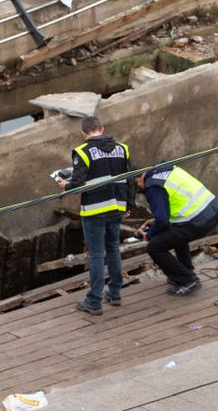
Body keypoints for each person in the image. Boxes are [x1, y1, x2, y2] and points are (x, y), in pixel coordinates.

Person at [56, 116, 131, 315]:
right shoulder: (122, 148)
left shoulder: (82, 151)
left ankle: (94, 301)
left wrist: (65, 185)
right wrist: (128, 204)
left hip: (95, 209)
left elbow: (78, 183)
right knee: (113, 248)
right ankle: (115, 292)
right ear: (102, 128)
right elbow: (129, 178)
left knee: (97, 254)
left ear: (83, 133)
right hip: (117, 206)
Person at [136, 164, 218, 296]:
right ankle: (186, 271)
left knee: (154, 247)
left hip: (198, 220)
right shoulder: (168, 169)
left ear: (138, 178)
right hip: (212, 211)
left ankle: (187, 281)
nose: (136, 190)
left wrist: (149, 235)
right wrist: (156, 221)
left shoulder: (153, 186)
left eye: (134, 186)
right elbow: (177, 202)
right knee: (177, 234)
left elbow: (163, 221)